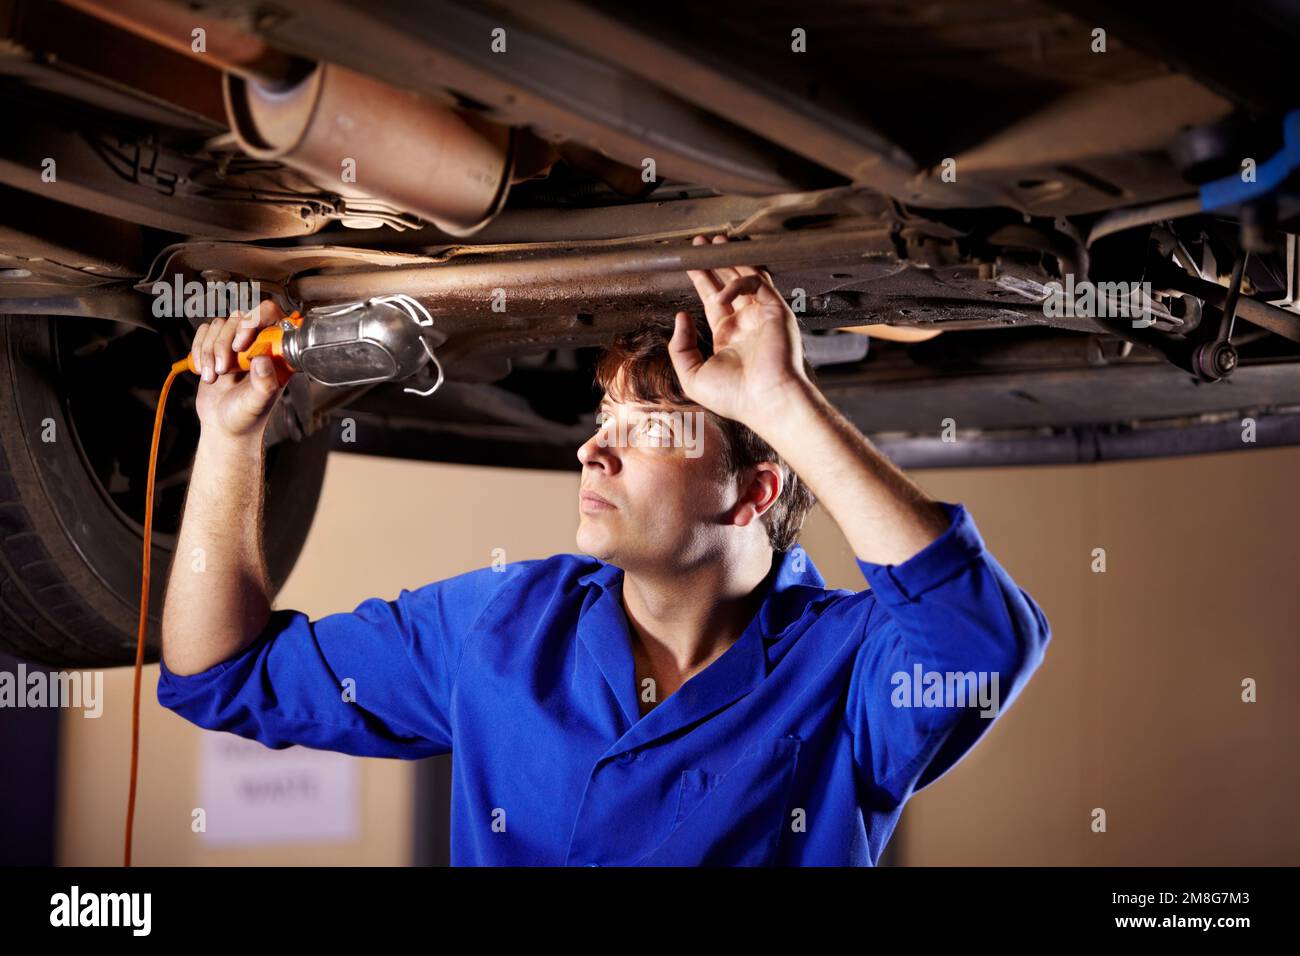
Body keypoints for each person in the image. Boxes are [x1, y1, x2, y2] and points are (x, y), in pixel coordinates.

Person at [158, 234, 1051, 866]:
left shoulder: (843, 671)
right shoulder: (501, 627)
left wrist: (782, 404)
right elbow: (218, 675)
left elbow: (982, 647)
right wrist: (230, 439)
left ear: (754, 492)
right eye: (600, 421)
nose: (592, 450)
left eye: (647, 431)